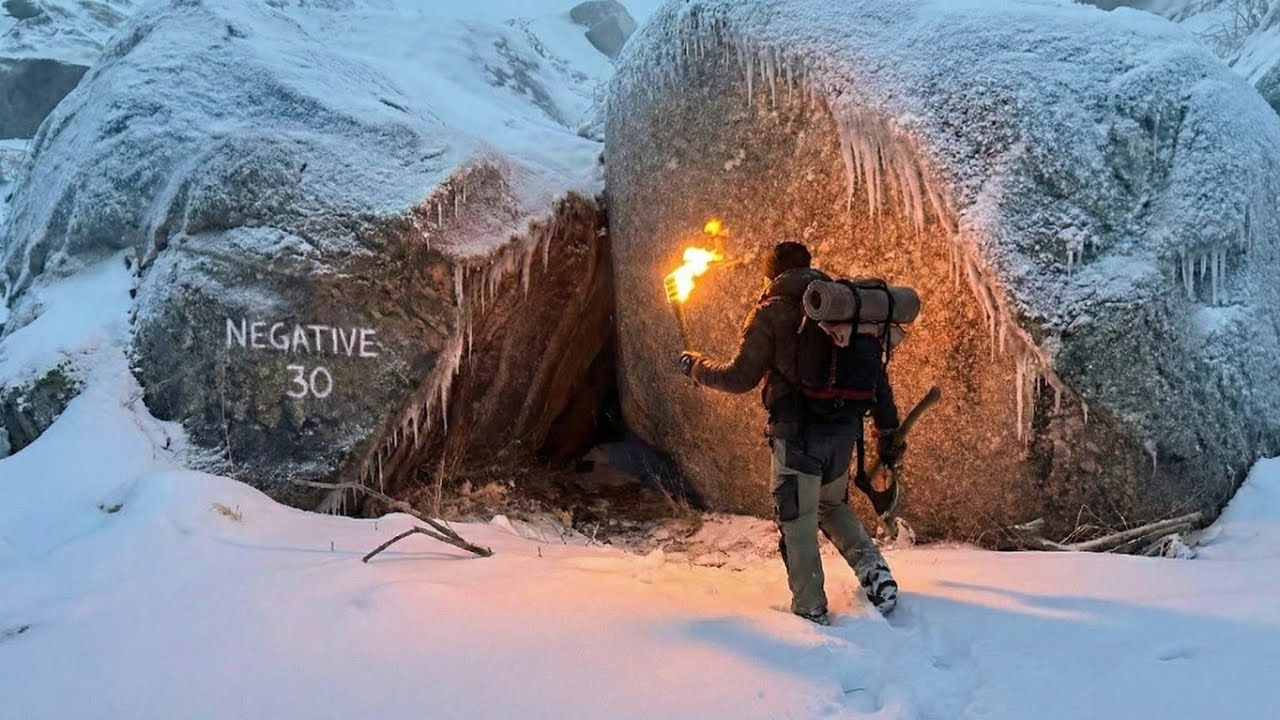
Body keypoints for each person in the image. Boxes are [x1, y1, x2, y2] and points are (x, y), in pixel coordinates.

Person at [678, 241, 902, 623]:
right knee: (831, 506)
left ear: (771, 275)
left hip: (797, 435)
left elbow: (739, 377)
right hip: (843, 433)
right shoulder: (838, 307)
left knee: (797, 522)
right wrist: (887, 427)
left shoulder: (772, 311)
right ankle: (876, 573)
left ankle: (810, 610)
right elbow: (876, 376)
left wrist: (696, 367)